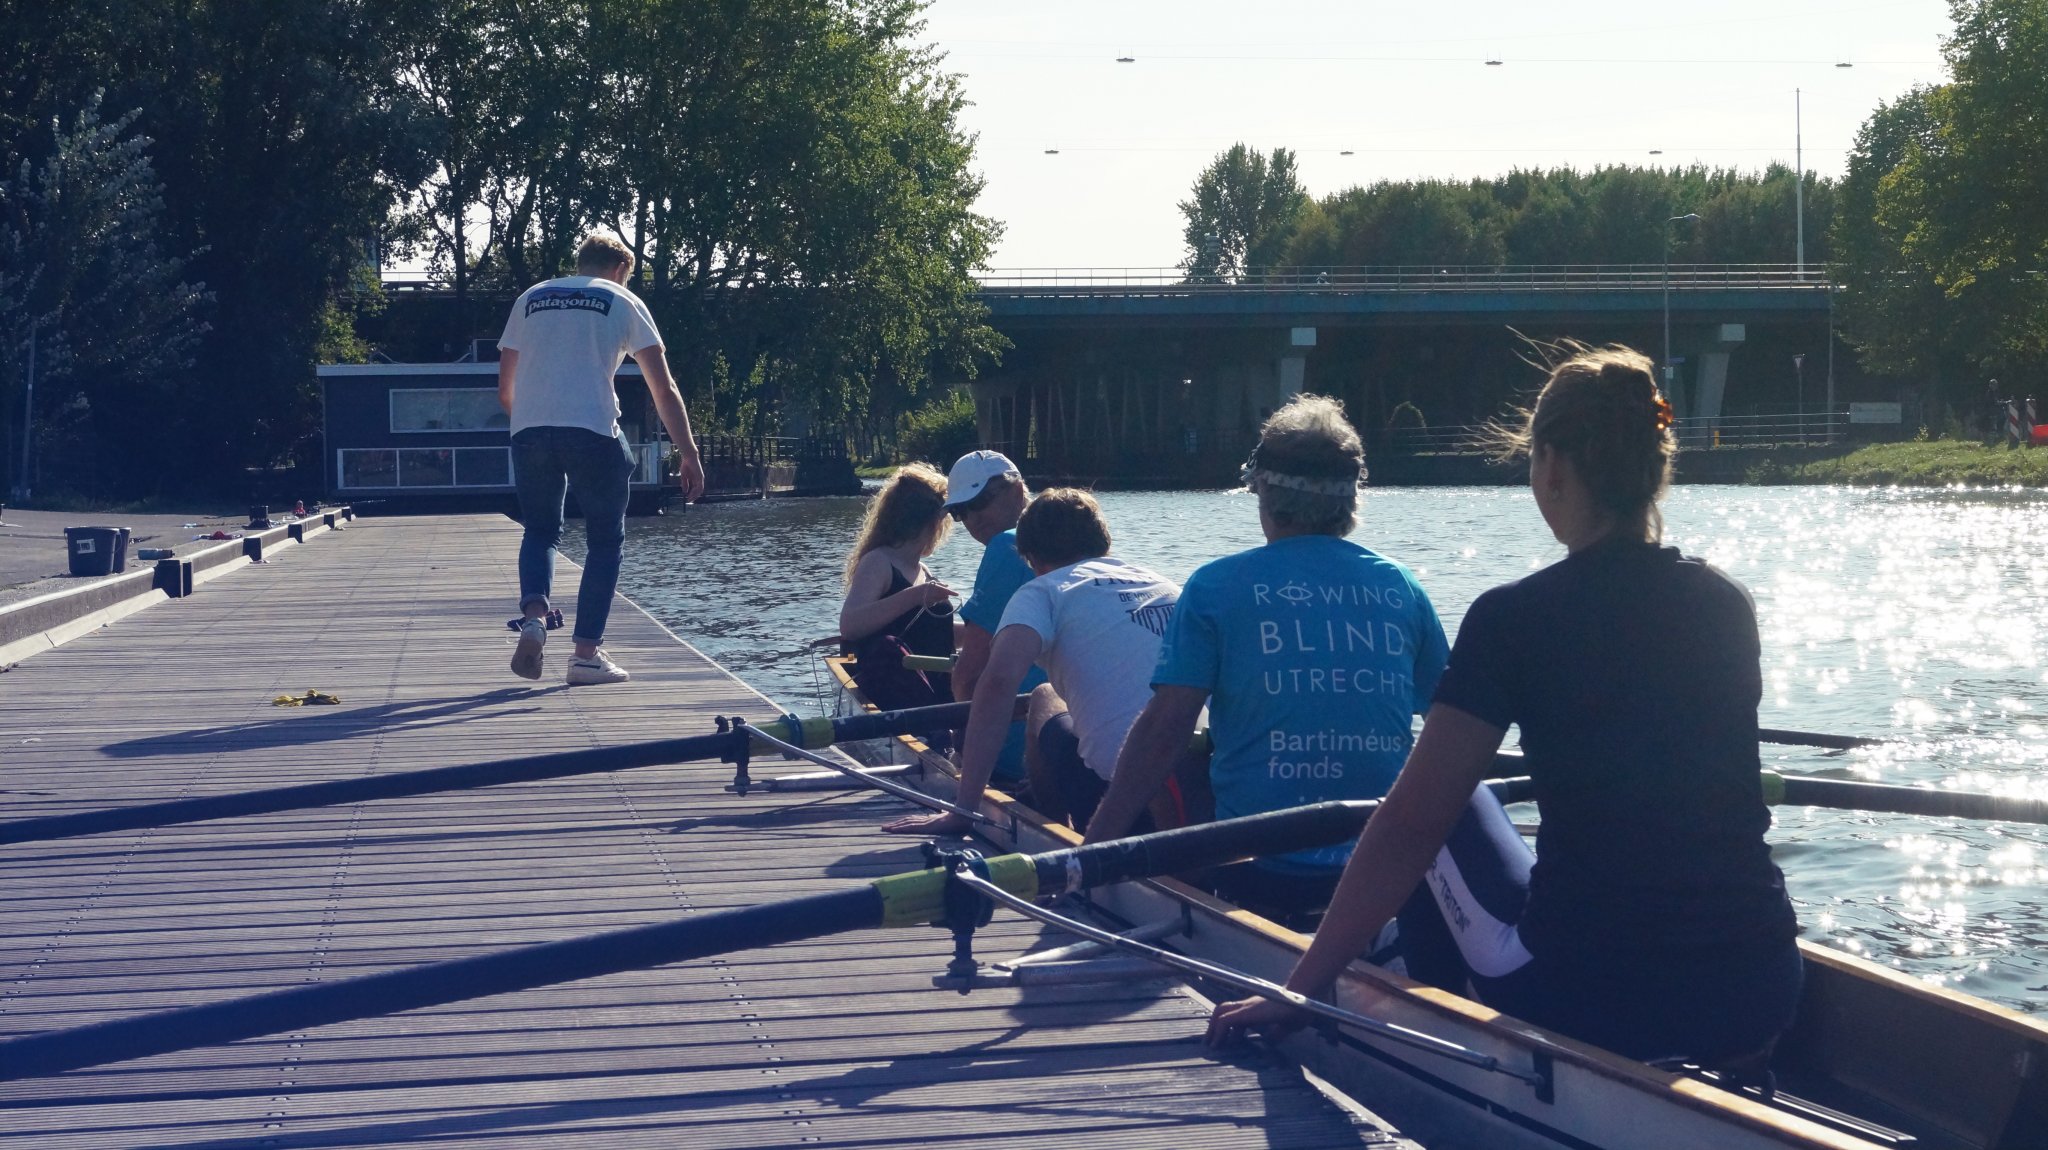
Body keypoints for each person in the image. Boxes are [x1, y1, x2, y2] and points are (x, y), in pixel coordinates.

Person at [1210, 343, 1803, 1068]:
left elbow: (1409, 825)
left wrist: (1296, 991)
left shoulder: (1514, 618)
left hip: (1591, 996)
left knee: (1446, 806)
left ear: (1551, 465)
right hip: (1763, 983)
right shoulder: (1725, 601)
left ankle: (1433, 1045)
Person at [1085, 394, 1449, 929]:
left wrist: (1091, 853)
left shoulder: (1215, 585)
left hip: (1261, 867)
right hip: (1386, 870)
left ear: (1267, 499)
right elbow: (1447, 725)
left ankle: (1187, 897)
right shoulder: (1402, 586)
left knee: (1186, 757)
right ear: (1350, 504)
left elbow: (1165, 728)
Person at [883, 489, 1178, 837]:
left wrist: (962, 810)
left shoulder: (1044, 592)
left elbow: (996, 685)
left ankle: (1054, 828)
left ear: (1031, 559)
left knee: (1043, 695)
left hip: (1116, 800)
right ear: (1104, 542)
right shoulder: (1165, 586)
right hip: (1198, 782)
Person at [498, 234, 704, 685]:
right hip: (592, 430)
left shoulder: (531, 298)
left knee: (540, 530)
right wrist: (687, 453)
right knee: (605, 542)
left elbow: (505, 388)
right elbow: (662, 388)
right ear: (618, 270)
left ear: (579, 263)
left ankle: (534, 619)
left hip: (529, 429)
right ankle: (586, 655)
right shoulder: (622, 299)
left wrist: (534, 427)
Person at [942, 450, 1048, 787]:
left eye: (980, 501)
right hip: (1076, 737)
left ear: (1017, 490)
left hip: (1018, 753)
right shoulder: (1075, 542)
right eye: (961, 511)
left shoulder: (1005, 545)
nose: (972, 518)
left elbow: (967, 676)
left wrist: (960, 748)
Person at [839, 462, 957, 712]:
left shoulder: (923, 570)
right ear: (930, 524)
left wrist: (987, 632)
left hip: (931, 691)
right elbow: (850, 625)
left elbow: (933, 632)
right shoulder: (879, 561)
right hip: (891, 694)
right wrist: (916, 596)